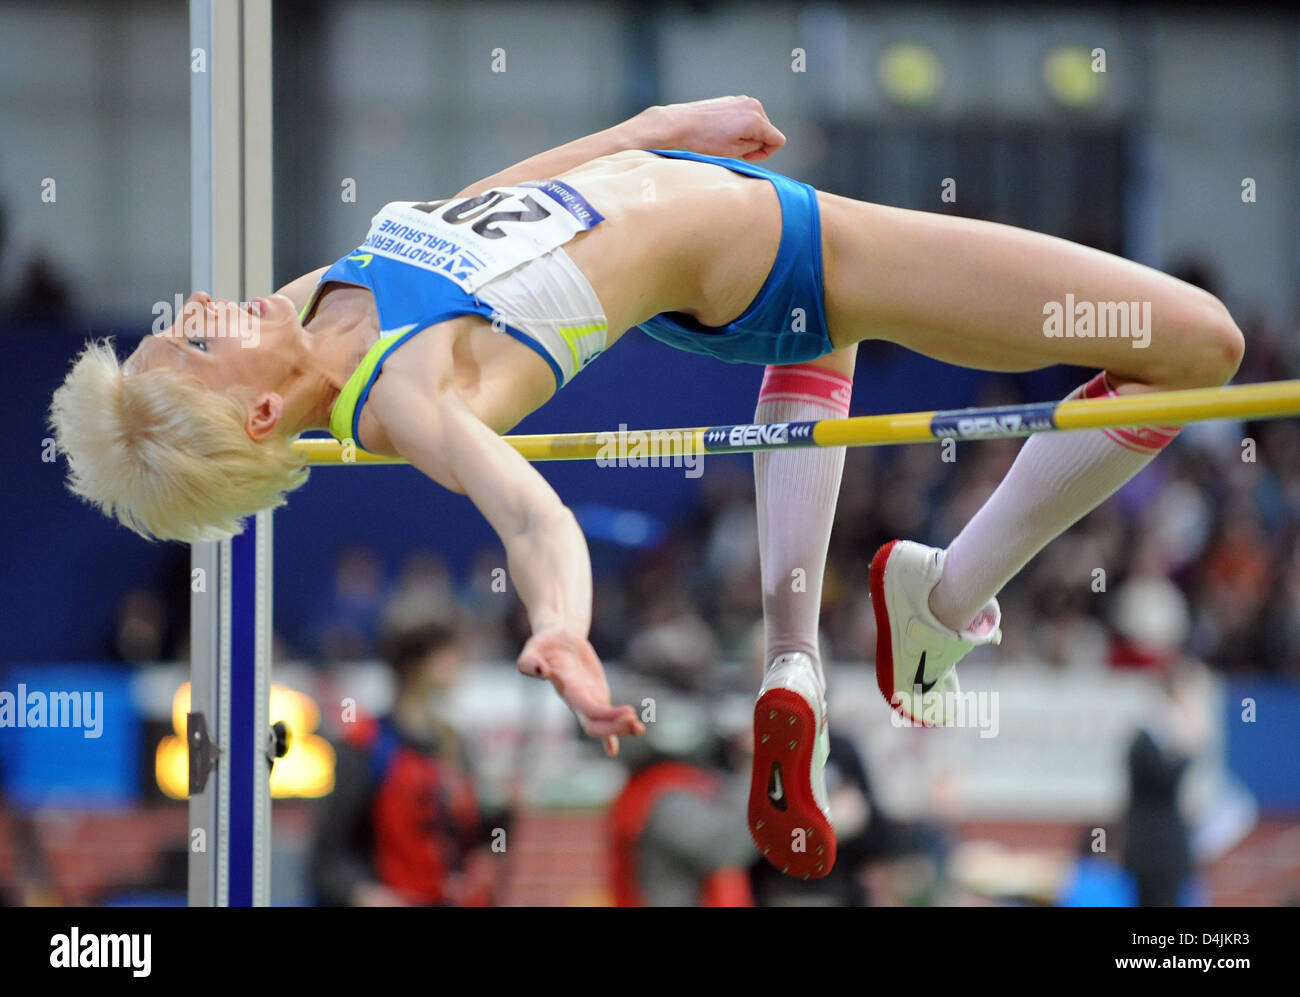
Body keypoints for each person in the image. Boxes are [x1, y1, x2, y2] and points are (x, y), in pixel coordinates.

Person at [50, 95, 1244, 879]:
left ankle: (799, 650)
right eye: (194, 343)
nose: (198, 312)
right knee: (1199, 348)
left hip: (727, 234)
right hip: (790, 251)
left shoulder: (313, 301)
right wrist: (562, 629)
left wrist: (658, 127)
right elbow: (529, 510)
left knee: (825, 348)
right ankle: (940, 597)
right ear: (264, 412)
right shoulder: (401, 392)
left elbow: (492, 200)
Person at [308, 616, 492, 906]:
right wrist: (367, 896)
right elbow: (328, 860)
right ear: (415, 663)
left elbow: (468, 838)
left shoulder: (454, 744)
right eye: (448, 652)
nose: (460, 662)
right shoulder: (366, 744)